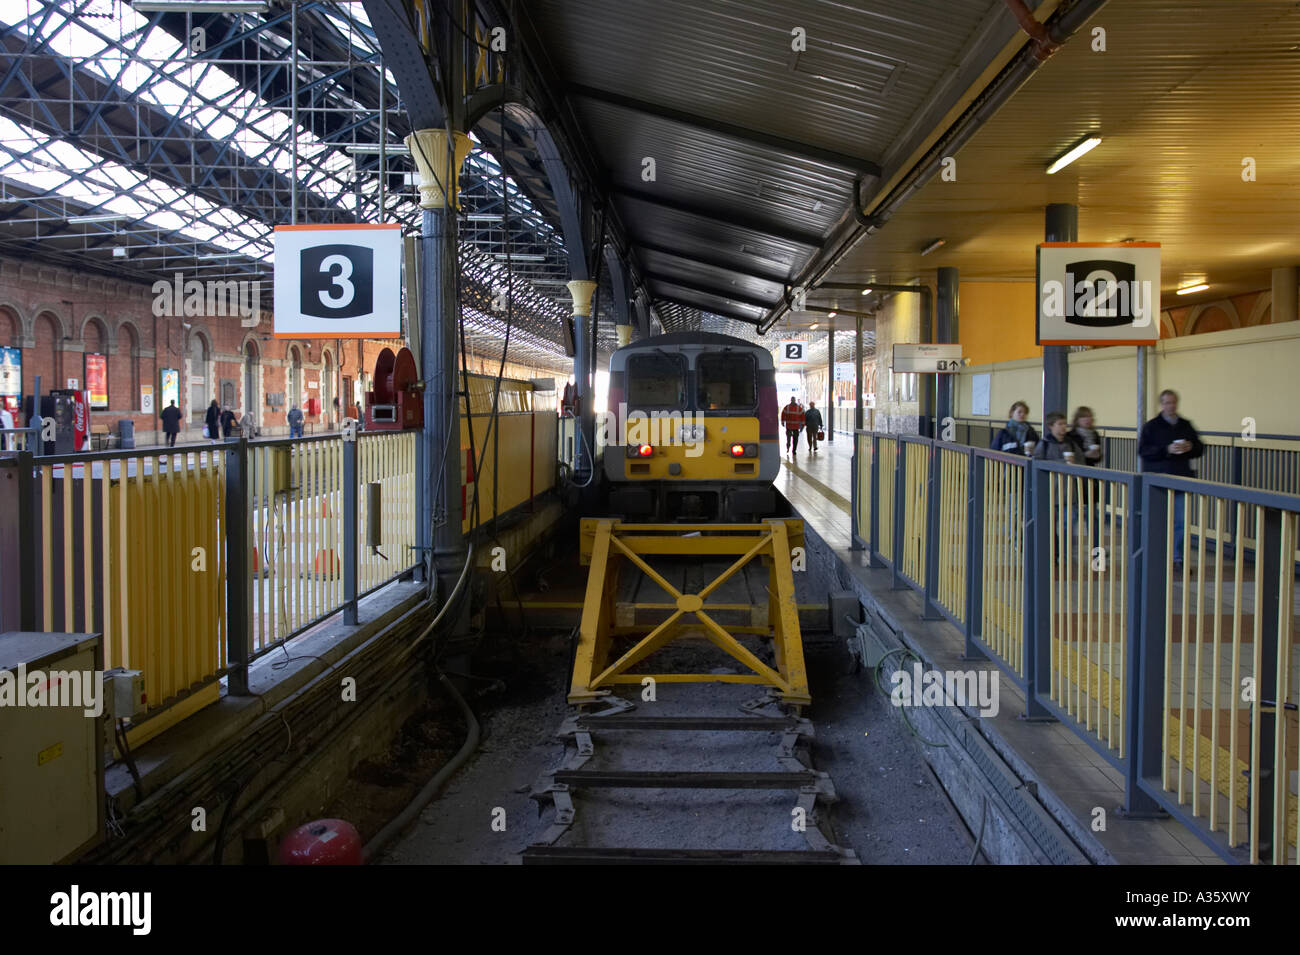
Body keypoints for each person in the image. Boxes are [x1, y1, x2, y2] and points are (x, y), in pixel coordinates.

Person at [1138, 389, 1204, 567]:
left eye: (1173, 402)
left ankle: (1177, 557)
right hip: (1158, 481)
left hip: (1181, 478)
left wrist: (1190, 446)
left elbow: (1200, 448)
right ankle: (1156, 555)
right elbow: (1143, 451)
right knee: (1158, 520)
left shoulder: (1185, 425)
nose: (1171, 406)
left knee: (1180, 521)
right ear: (1161, 404)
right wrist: (1166, 450)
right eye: (1167, 402)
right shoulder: (1151, 426)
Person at [780, 393, 804, 458]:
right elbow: (783, 414)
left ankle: (794, 450)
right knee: (788, 439)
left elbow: (802, 417)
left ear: (794, 400)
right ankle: (788, 447)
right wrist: (782, 422)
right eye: (792, 400)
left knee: (795, 439)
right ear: (791, 400)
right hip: (789, 426)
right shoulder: (787, 407)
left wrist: (802, 425)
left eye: (793, 400)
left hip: (795, 427)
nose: (793, 401)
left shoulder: (799, 408)